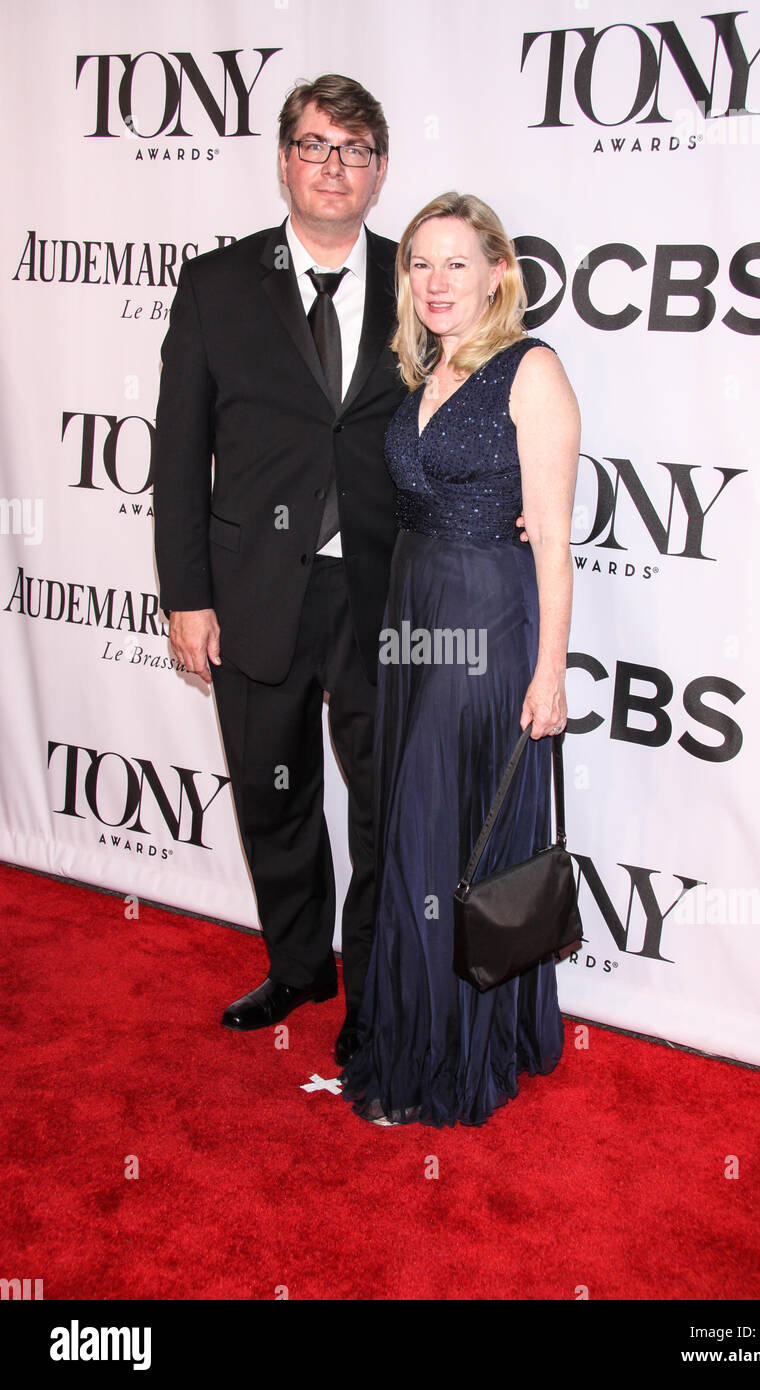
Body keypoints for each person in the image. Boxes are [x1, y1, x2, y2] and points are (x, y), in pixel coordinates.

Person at [152, 75, 406, 1065]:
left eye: (352, 149)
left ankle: (377, 985)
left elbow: (471, 412)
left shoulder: (418, 279)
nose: (332, 166)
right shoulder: (217, 285)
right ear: (283, 162)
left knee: (385, 802)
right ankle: (300, 964)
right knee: (272, 793)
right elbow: (179, 453)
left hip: (383, 594)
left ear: (378, 170)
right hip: (256, 590)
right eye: (314, 145)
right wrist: (186, 596)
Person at [340, 192, 581, 1127]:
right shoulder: (422, 371)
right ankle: (418, 1032)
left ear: (496, 274)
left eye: (456, 263)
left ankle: (451, 1057)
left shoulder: (533, 370)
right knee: (415, 826)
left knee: (448, 835)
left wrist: (550, 671)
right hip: (415, 618)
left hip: (485, 626)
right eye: (420, 264)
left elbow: (552, 537)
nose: (437, 283)